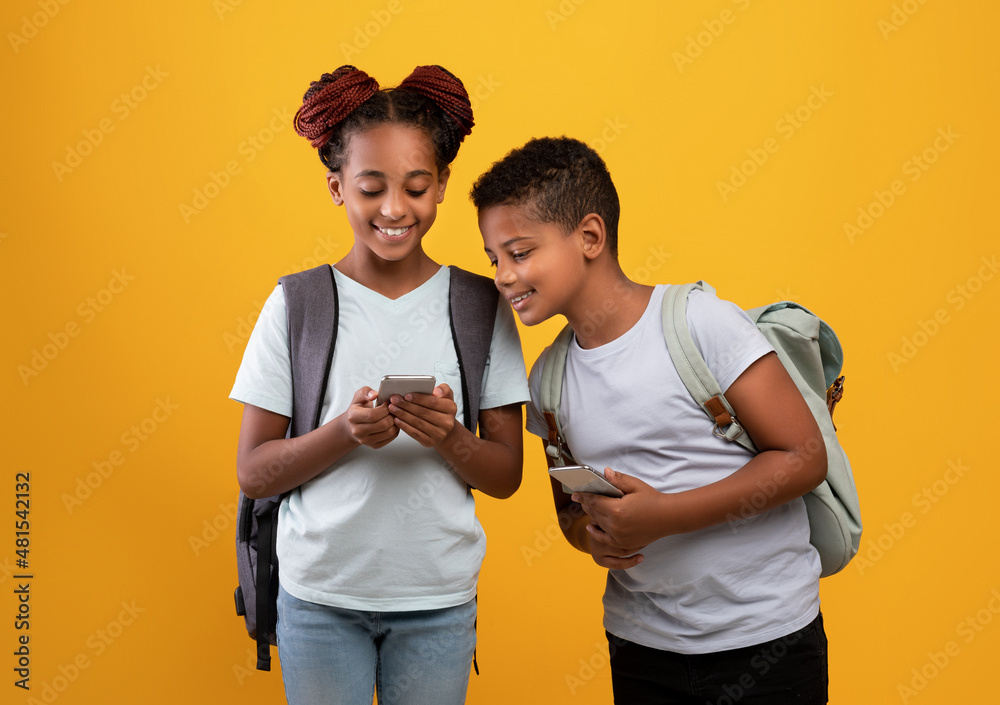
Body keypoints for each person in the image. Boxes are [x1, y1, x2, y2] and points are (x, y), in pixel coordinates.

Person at [471, 136, 829, 704]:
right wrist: (593, 539)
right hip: (640, 647)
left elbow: (805, 458)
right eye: (494, 259)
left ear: (590, 237)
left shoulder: (700, 324)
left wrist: (663, 515)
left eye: (519, 253)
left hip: (766, 639)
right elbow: (569, 510)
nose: (503, 277)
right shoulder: (547, 381)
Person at [230, 65, 529, 705]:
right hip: (319, 599)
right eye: (372, 188)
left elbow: (505, 476)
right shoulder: (297, 304)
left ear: (442, 185)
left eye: (416, 187)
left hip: (439, 601)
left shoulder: (481, 306)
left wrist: (450, 438)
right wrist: (344, 432)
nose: (395, 209)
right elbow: (253, 473)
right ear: (337, 188)